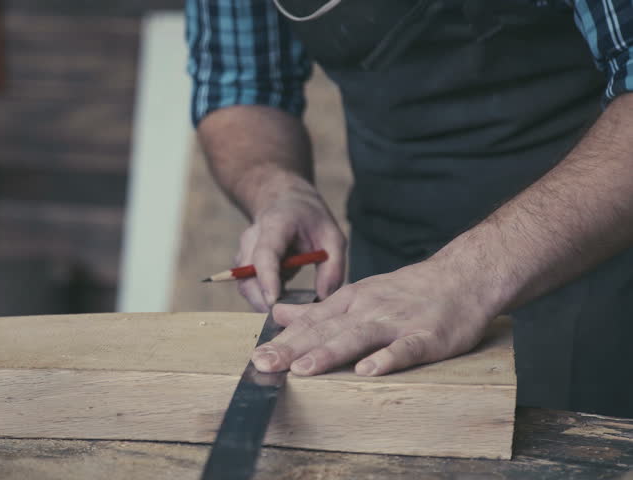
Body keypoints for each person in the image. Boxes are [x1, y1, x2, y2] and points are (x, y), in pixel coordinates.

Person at [186, 0, 633, 418]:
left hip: (590, 249)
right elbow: (240, 84)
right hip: (390, 260)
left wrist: (467, 276)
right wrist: (276, 188)